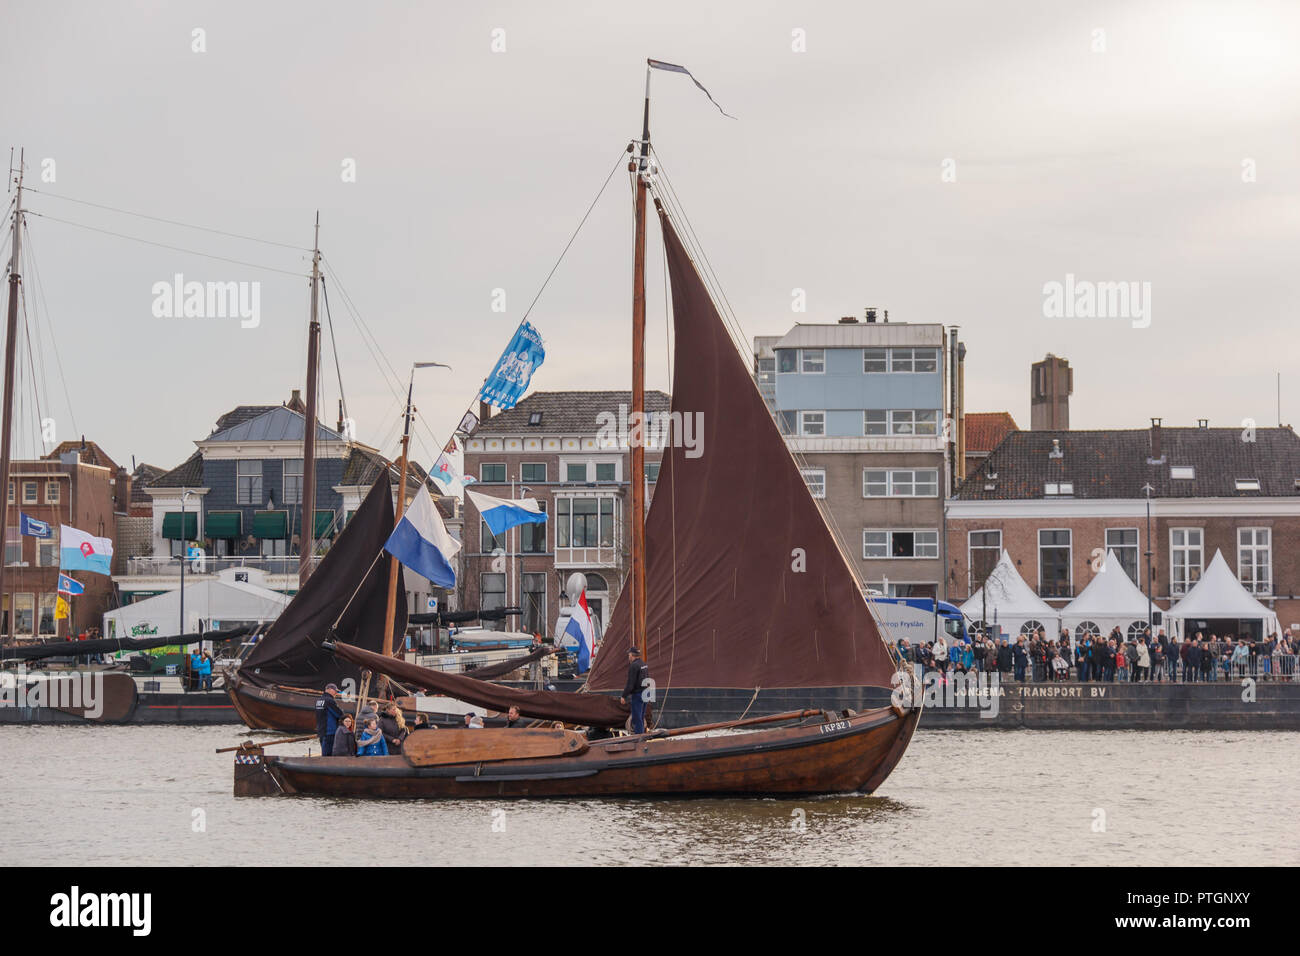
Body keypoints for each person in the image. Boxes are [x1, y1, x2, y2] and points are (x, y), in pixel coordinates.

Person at [620, 647, 650, 734]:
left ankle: (639, 739)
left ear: (632, 655)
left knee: (637, 718)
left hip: (638, 694)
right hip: (646, 692)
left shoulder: (634, 666)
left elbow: (630, 684)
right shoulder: (643, 664)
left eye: (629, 654)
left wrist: (623, 696)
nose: (628, 656)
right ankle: (642, 736)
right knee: (641, 716)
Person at [315, 683, 345, 756]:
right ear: (330, 690)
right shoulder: (329, 701)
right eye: (335, 691)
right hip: (330, 732)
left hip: (321, 731)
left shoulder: (319, 700)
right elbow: (339, 714)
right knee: (329, 754)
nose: (336, 693)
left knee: (324, 752)